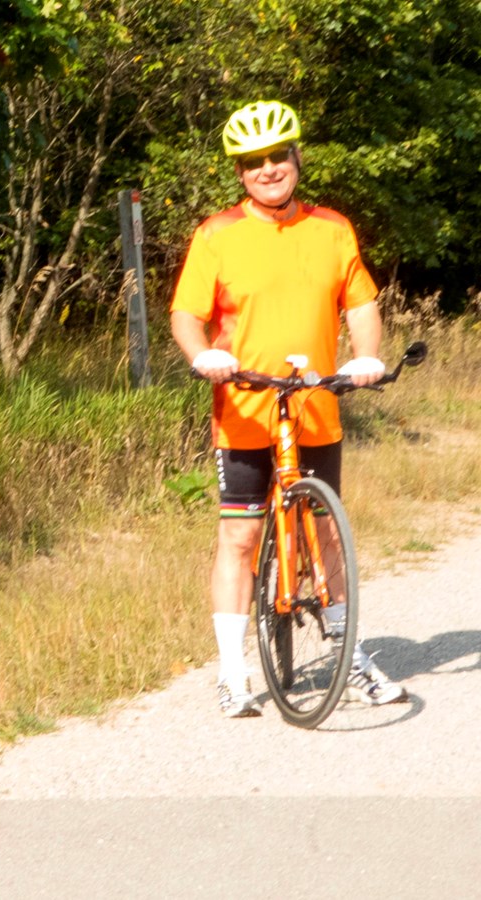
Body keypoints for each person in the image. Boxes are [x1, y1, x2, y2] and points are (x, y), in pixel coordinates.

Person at [169, 100, 408, 718]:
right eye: (255, 162)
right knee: (242, 536)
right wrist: (201, 356)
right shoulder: (217, 234)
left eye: (279, 156)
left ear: (297, 158)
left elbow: (359, 303)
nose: (269, 168)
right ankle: (232, 672)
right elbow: (185, 315)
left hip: (315, 405)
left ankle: (349, 655)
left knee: (326, 529)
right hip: (245, 406)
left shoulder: (332, 228)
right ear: (241, 173)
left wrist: (367, 356)